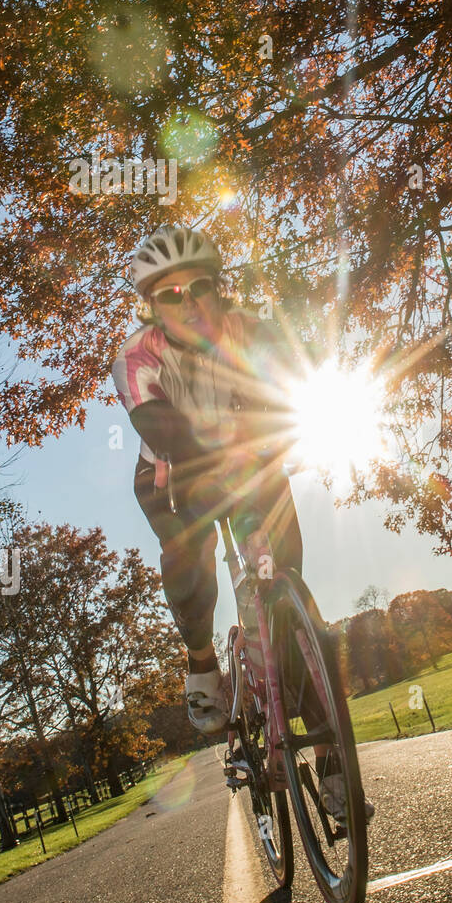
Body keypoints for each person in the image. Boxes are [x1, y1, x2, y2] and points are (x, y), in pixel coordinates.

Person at [112, 226, 366, 824]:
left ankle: (330, 762)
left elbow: (292, 393)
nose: (191, 301)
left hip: (253, 468)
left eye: (202, 287)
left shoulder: (254, 331)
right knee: (189, 555)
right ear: (152, 307)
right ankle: (202, 659)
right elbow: (161, 429)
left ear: (219, 290)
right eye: (171, 294)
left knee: (293, 601)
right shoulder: (135, 357)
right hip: (175, 474)